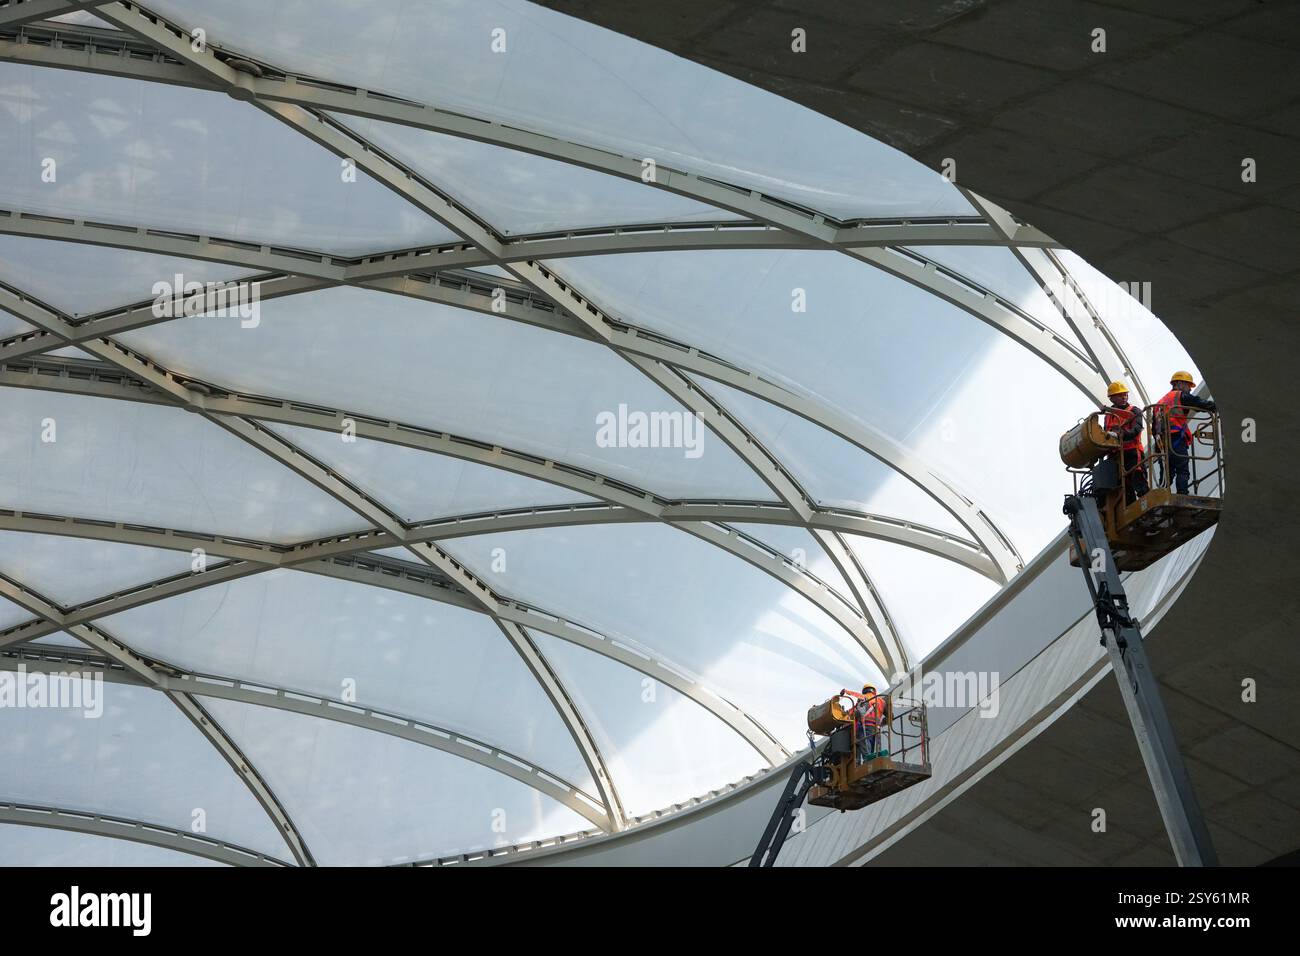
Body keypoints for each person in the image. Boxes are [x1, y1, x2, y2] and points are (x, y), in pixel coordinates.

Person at [1154, 372, 1217, 494]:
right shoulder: (1181, 396)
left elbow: (1153, 427)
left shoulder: (1160, 402)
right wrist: (1216, 407)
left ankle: (1162, 494)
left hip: (1161, 443)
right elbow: (1199, 403)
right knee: (1182, 468)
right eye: (1188, 385)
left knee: (1167, 472)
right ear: (1179, 383)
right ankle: (1182, 494)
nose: (1189, 389)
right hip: (1176, 439)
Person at [1103, 382, 1148, 503]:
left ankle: (1146, 503)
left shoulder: (1133, 410)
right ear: (1111, 398)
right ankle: (1131, 510)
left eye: (1125, 395)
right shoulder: (1108, 416)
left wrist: (1122, 434)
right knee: (1124, 487)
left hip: (1132, 452)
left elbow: (1137, 429)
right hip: (1115, 456)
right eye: (1120, 395)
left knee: (1138, 479)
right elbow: (1104, 434)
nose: (1124, 397)